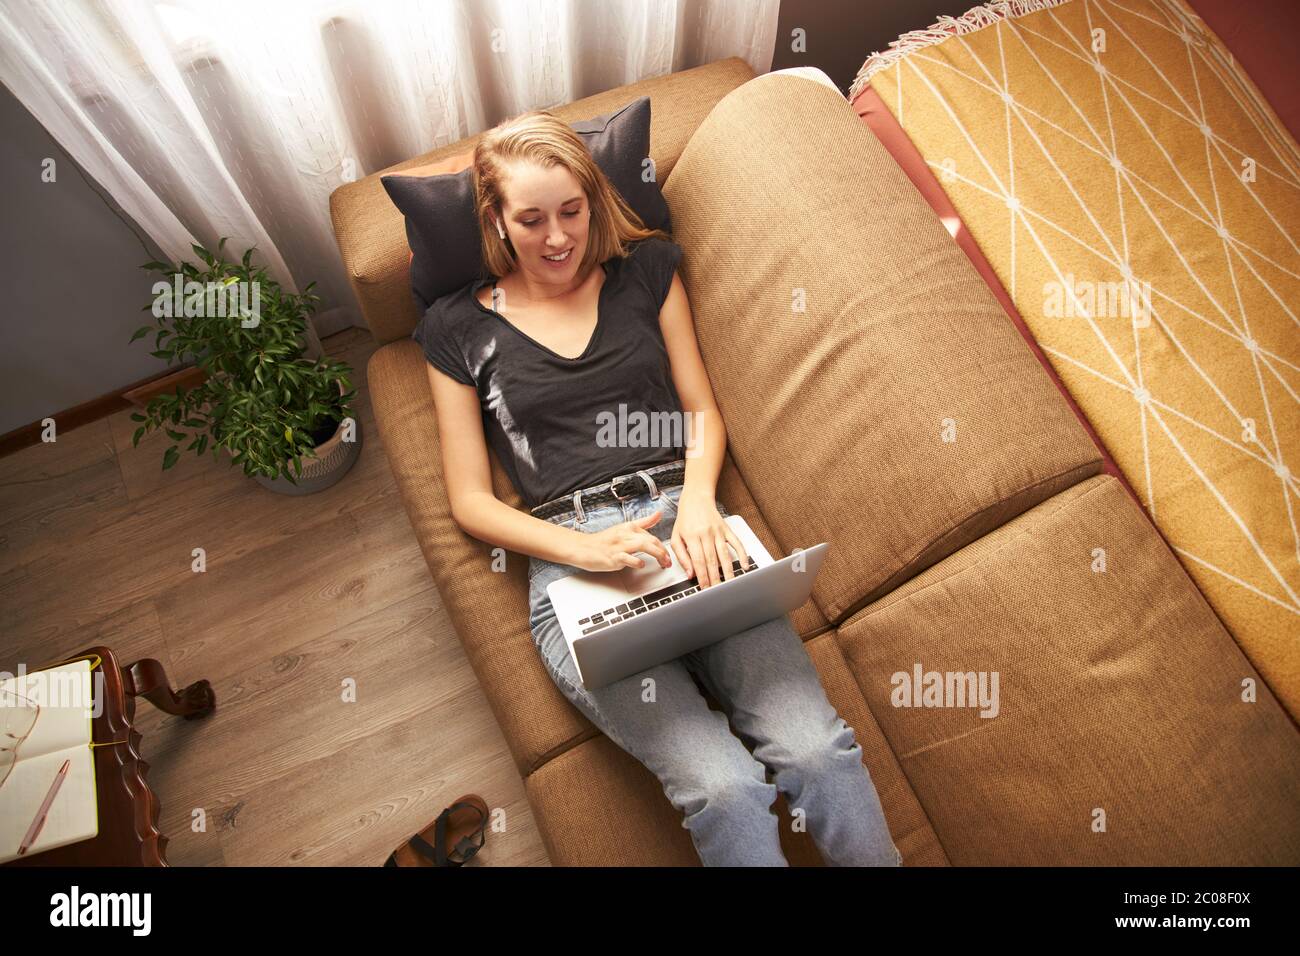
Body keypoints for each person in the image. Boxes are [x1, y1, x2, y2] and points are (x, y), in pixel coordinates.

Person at [413, 108, 900, 867]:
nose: (557, 238)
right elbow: (470, 500)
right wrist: (582, 549)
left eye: (571, 211)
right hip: (574, 559)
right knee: (723, 787)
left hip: (690, 523)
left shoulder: (647, 271)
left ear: (592, 200)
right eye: (531, 220)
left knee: (815, 750)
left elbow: (700, 410)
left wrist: (700, 503)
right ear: (496, 219)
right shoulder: (455, 328)